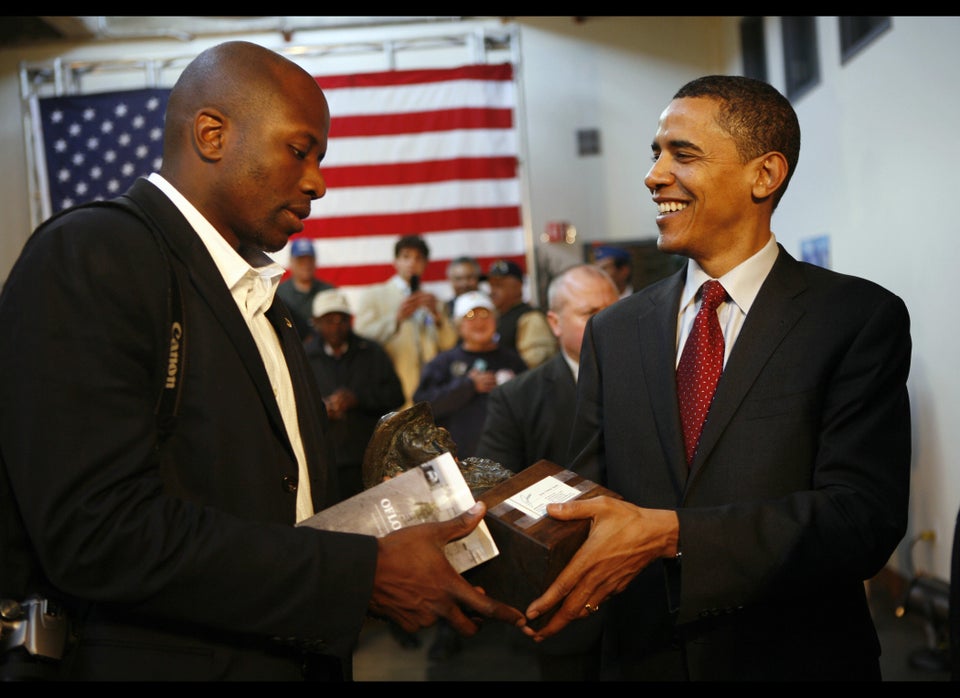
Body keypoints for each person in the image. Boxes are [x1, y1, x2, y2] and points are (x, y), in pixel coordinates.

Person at [0, 40, 524, 682]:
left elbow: (274, 504)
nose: (318, 182)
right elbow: (97, 532)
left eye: (320, 159)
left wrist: (400, 524)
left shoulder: (261, 301)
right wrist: (361, 575)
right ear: (212, 134)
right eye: (300, 151)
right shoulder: (92, 255)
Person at [521, 75, 912, 681]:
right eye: (655, 154)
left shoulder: (856, 320)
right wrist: (489, 534)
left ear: (765, 175)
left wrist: (672, 535)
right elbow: (588, 492)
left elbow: (862, 520)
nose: (654, 175)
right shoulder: (614, 331)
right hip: (643, 657)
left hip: (791, 658)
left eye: (682, 153)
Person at [475, 263, 619, 680]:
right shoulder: (517, 398)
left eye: (615, 309)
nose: (607, 323)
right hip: (561, 597)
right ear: (554, 322)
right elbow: (493, 492)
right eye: (591, 312)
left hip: (645, 598)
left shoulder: (656, 381)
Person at [304, 289, 405, 501]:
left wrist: (358, 398)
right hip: (323, 460)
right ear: (316, 322)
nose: (336, 326)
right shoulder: (304, 356)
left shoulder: (371, 351)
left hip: (368, 457)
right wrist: (320, 408)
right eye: (329, 320)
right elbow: (291, 403)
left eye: (342, 319)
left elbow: (396, 395)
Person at [413, 290, 526, 462]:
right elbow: (422, 405)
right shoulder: (443, 363)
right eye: (470, 315)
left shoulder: (512, 361)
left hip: (509, 459)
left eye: (484, 314)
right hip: (459, 463)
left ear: (495, 320)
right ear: (458, 325)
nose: (479, 321)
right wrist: (467, 386)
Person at [351, 235, 457, 409]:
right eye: (406, 257)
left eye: (418, 258)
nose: (412, 263)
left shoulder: (433, 302)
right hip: (391, 392)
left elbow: (449, 345)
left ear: (425, 264)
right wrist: (396, 320)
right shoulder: (375, 295)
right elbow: (361, 338)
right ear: (396, 261)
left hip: (431, 394)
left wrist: (438, 319)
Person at [485, 258, 557, 369]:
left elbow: (535, 363)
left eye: (499, 285)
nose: (492, 291)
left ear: (518, 286)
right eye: (491, 285)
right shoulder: (496, 316)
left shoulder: (531, 318)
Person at [276, 236, 334, 341]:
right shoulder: (279, 293)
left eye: (309, 260)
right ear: (291, 262)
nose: (306, 265)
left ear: (315, 261)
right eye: (301, 261)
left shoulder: (329, 292)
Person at [443, 255, 483, 320]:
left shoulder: (493, 305)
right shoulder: (444, 310)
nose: (464, 284)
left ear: (478, 278)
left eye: (469, 277)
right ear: (451, 281)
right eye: (459, 279)